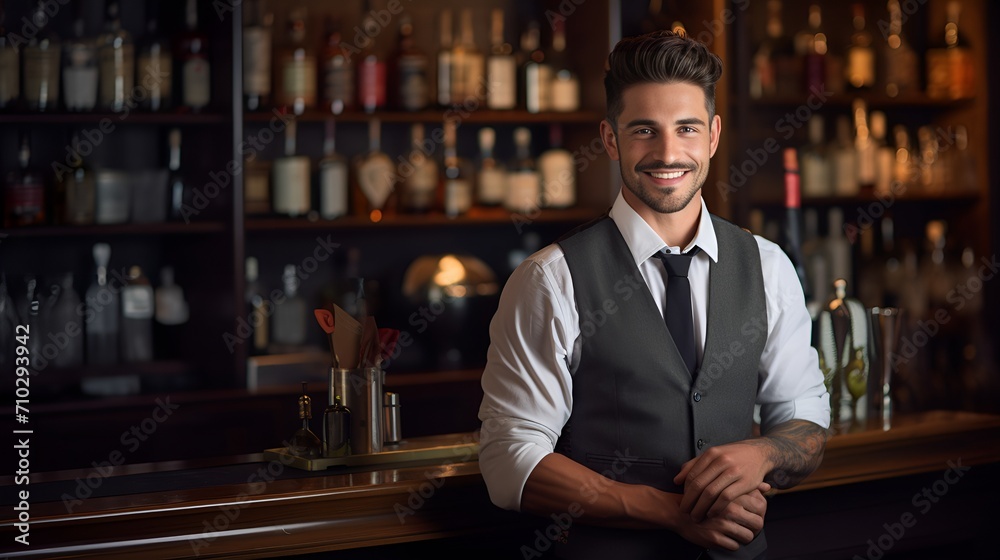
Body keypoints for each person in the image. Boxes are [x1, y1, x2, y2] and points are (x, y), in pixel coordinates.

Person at [478, 29, 830, 560]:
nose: (669, 152)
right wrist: (669, 512)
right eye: (645, 130)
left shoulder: (769, 266)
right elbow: (509, 461)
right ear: (611, 138)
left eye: (686, 128)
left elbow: (805, 425)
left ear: (712, 136)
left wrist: (761, 453)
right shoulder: (551, 279)